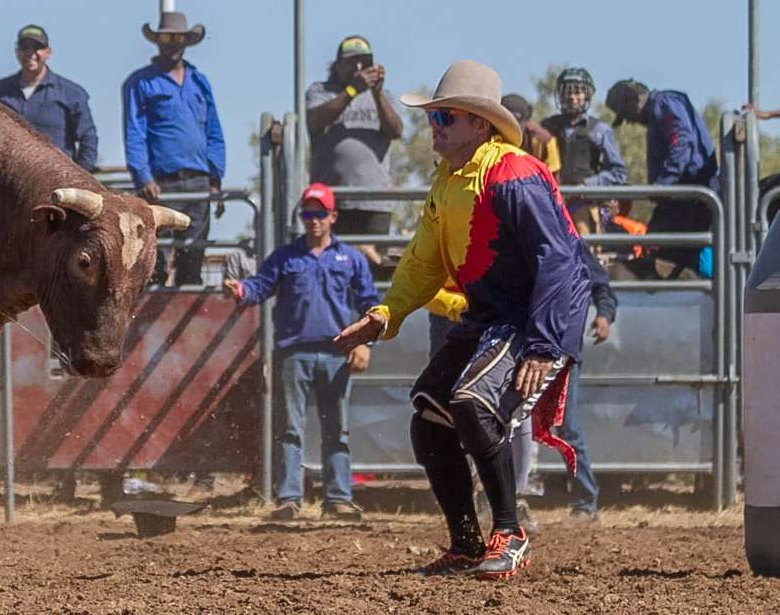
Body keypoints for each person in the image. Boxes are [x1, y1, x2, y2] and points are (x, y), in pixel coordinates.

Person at [336, 60, 589, 581]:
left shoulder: (513, 172)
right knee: (428, 415)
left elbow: (559, 260)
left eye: (445, 117)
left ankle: (511, 533)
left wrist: (543, 345)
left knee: (472, 402)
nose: (435, 127)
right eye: (433, 118)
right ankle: (467, 543)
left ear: (479, 123)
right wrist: (384, 316)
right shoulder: (449, 180)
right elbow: (423, 262)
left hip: (530, 315)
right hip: (492, 315)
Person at [429, 244, 615, 531]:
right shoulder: (516, 237)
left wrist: (603, 314)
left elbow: (595, 283)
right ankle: (500, 499)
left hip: (551, 346)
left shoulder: (563, 239)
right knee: (500, 416)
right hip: (525, 340)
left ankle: (581, 501)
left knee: (560, 425)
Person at [224, 183, 378, 521]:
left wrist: (365, 341)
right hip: (295, 353)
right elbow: (259, 287)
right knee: (291, 428)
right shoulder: (285, 257)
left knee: (336, 428)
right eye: (307, 213)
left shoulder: (351, 259)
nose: (313, 220)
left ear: (333, 216)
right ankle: (290, 499)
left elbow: (371, 305)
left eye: (319, 213)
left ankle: (337, 498)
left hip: (338, 353)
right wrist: (240, 290)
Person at [123, 11, 225, 287]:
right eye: (167, 38)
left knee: (194, 255)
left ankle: (190, 324)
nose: (172, 43)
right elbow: (134, 131)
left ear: (186, 41)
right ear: (158, 41)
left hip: (199, 181)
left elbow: (213, 129)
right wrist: (143, 176)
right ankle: (148, 323)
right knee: (157, 258)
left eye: (178, 38)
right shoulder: (141, 82)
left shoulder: (199, 81)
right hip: (162, 183)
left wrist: (215, 177)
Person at [304, 35, 404, 266]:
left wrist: (377, 94)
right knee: (333, 269)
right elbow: (315, 120)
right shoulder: (321, 91)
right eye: (351, 62)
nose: (359, 68)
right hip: (333, 203)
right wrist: (351, 91)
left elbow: (396, 130)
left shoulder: (383, 97)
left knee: (374, 273)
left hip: (375, 203)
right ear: (337, 64)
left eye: (364, 61)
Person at [605, 79, 719, 278]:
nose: (631, 121)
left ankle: (672, 292)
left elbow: (681, 141)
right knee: (672, 251)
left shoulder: (664, 103)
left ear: (634, 100)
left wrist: (663, 185)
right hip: (681, 196)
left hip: (685, 195)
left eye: (627, 114)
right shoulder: (664, 107)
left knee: (662, 247)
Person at [0, 25, 99, 172]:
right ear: (17, 52)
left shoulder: (71, 93)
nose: (31, 53)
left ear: (48, 52)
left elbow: (88, 138)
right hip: (7, 177)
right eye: (25, 47)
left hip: (56, 179)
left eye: (37, 47)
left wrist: (78, 177)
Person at [544, 68, 627, 236]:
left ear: (587, 96)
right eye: (567, 92)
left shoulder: (599, 130)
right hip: (551, 207)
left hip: (585, 206)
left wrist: (588, 185)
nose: (572, 97)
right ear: (559, 95)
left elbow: (618, 172)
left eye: (578, 92)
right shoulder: (546, 128)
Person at [500, 94, 561, 173]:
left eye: (516, 126)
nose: (511, 133)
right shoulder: (487, 136)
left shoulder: (545, 140)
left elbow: (553, 176)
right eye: (507, 127)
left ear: (525, 122)